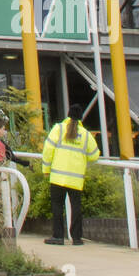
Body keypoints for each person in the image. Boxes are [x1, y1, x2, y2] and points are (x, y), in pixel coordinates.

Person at [42, 103, 100, 246]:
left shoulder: (58, 129)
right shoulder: (86, 135)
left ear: (68, 115)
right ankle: (77, 238)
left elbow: (48, 150)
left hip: (57, 176)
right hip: (76, 178)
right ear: (80, 118)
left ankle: (58, 237)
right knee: (76, 207)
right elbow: (94, 155)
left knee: (57, 207)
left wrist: (46, 169)